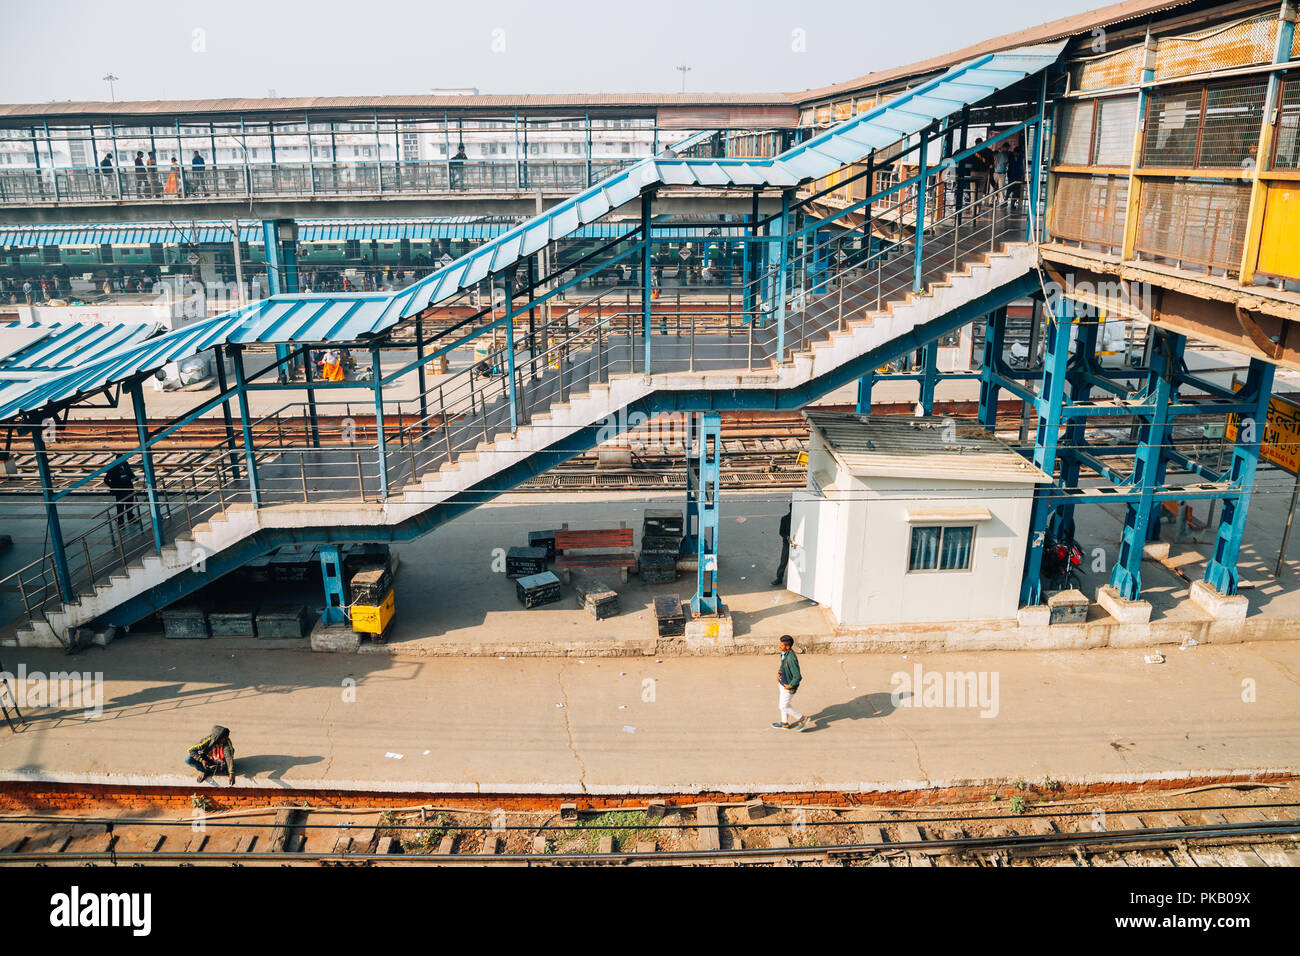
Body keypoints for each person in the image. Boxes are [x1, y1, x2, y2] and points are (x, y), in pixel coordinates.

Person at [772, 635, 809, 731]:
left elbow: (798, 676)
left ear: (788, 646)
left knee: (783, 706)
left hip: (788, 686)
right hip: (782, 683)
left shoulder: (792, 658)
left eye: (782, 645)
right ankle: (784, 723)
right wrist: (779, 673)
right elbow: (783, 665)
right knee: (784, 705)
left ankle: (803, 718)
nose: (779, 646)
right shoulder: (784, 653)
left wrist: (790, 685)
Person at [102, 459, 138, 530]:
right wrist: (114, 486)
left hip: (129, 489)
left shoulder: (126, 465)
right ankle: (121, 523)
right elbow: (106, 479)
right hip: (120, 491)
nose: (125, 462)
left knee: (130, 505)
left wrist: (134, 478)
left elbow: (130, 473)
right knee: (120, 508)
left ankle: (131, 519)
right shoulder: (113, 468)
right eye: (123, 460)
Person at [771, 503, 792, 587]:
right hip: (787, 544)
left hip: (798, 544)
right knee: (783, 561)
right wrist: (787, 537)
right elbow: (781, 532)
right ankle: (779, 578)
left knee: (800, 562)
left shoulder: (799, 519)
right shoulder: (785, 519)